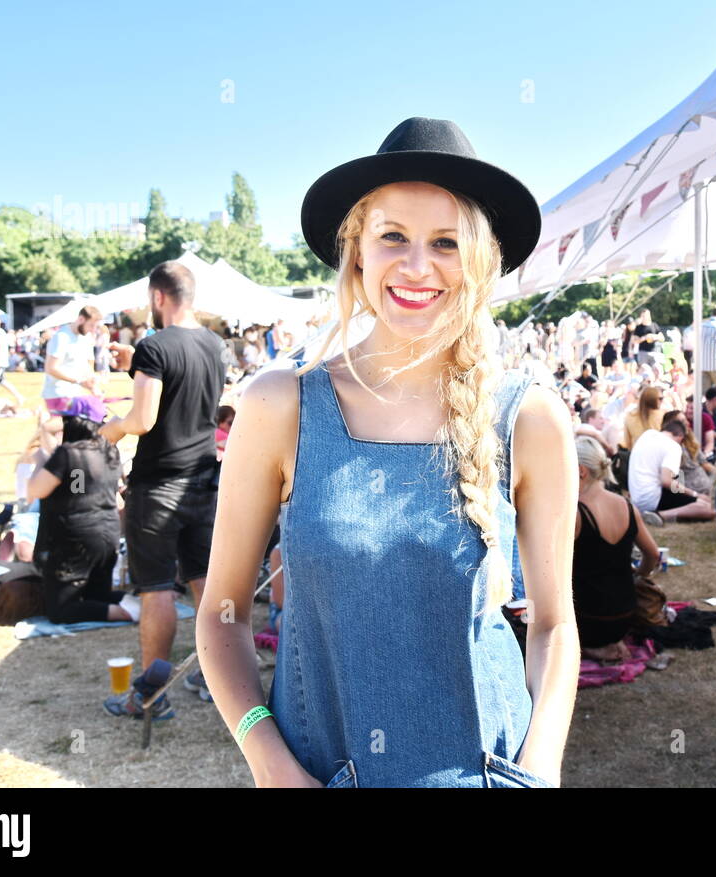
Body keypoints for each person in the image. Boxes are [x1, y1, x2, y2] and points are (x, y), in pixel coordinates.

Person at [197, 117, 579, 787]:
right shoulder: (279, 404)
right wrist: (268, 758)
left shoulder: (531, 417)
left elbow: (552, 625)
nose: (417, 266)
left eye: (446, 242)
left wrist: (540, 768)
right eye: (393, 237)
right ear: (357, 250)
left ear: (481, 259)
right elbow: (221, 612)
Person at [99, 261, 229, 718]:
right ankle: (223, 683)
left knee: (156, 590)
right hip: (204, 481)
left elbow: (143, 420)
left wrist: (111, 430)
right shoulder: (216, 345)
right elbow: (189, 399)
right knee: (208, 587)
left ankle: (151, 696)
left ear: (158, 297)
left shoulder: (153, 346)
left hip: (157, 487)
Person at [29, 398, 135, 625]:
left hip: (74, 537)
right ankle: (139, 604)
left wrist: (40, 461)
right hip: (107, 534)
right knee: (99, 595)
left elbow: (36, 490)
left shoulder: (69, 454)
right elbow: (78, 485)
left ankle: (121, 613)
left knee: (60, 609)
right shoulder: (109, 453)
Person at [573, 436, 660, 662]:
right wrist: (639, 576)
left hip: (587, 618)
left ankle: (593, 649)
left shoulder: (575, 513)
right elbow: (653, 555)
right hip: (625, 614)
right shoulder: (627, 506)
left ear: (581, 471)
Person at [628, 416, 715, 527]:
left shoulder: (647, 435)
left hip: (637, 498)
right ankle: (660, 515)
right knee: (709, 508)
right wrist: (695, 494)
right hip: (652, 499)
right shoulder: (673, 446)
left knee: (701, 502)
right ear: (680, 436)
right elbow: (667, 482)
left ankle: (656, 514)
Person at [42, 305, 102, 412]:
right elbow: (51, 368)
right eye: (91, 325)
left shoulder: (86, 338)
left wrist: (93, 386)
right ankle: (43, 427)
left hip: (75, 393)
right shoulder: (62, 337)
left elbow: (89, 364)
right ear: (81, 319)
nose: (93, 330)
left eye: (95, 327)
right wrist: (78, 381)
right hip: (58, 394)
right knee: (59, 427)